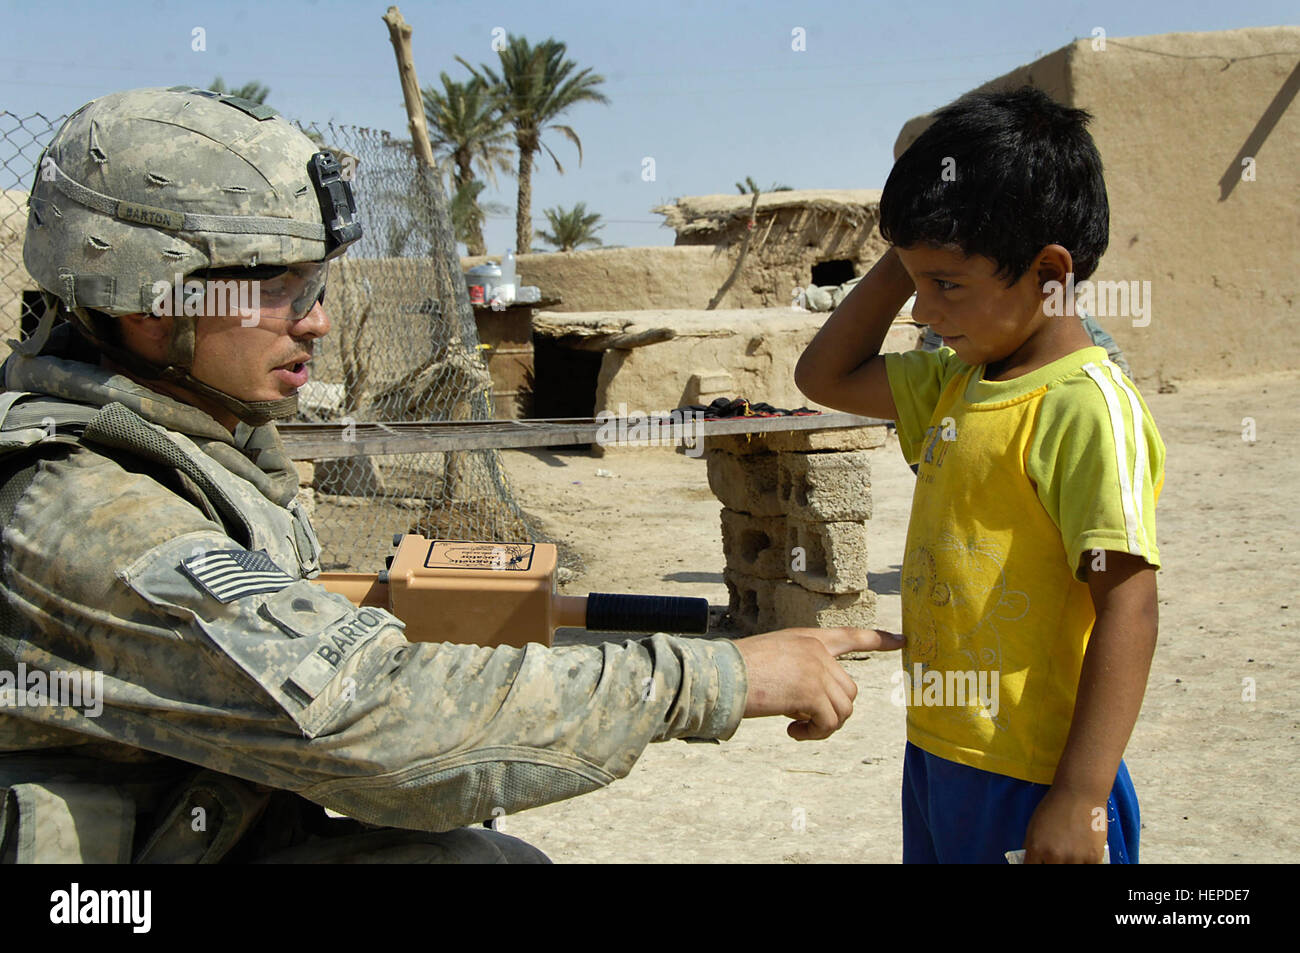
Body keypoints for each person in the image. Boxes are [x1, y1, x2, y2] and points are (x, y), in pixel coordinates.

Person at [0, 86, 901, 864]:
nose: (315, 323)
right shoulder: (89, 505)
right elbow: (384, 729)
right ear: (156, 301)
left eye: (317, 287)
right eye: (280, 288)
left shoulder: (198, 446)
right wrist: (718, 677)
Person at [795, 86, 1164, 863]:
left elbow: (1129, 607)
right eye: (914, 280)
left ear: (1049, 273)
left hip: (1036, 777)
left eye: (947, 284)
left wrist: (1080, 796)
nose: (922, 311)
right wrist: (913, 255)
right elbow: (822, 374)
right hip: (940, 751)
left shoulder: (1085, 407)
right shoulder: (955, 383)